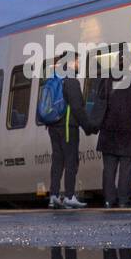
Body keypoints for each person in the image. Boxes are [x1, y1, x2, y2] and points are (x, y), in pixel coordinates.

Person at [95, 50, 131, 208]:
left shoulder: (106, 81)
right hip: (128, 132)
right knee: (126, 168)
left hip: (108, 132)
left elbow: (99, 104)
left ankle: (108, 200)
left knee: (109, 169)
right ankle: (124, 200)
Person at [44, 51, 96, 209]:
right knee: (71, 160)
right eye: (77, 61)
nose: (79, 64)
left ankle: (53, 196)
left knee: (58, 161)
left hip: (53, 126)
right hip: (67, 126)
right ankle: (69, 196)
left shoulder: (54, 80)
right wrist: (88, 127)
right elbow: (77, 107)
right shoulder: (71, 82)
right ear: (71, 63)